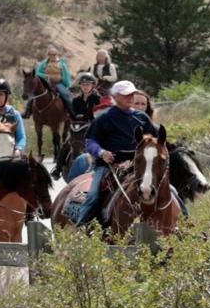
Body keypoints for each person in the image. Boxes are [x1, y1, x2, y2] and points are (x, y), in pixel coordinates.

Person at [69, 80, 162, 223]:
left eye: (132, 94)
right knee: (93, 194)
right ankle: (82, 226)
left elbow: (157, 140)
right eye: (126, 95)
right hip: (109, 166)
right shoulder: (105, 118)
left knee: (170, 190)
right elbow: (90, 141)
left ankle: (185, 225)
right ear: (115, 96)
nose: (130, 98)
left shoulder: (142, 118)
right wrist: (102, 152)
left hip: (139, 164)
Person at [34, 46, 72, 112]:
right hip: (46, 83)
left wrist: (68, 85)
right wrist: (45, 76)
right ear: (48, 55)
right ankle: (28, 111)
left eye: (54, 54)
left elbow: (66, 75)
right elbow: (37, 73)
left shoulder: (61, 64)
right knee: (34, 93)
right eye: (50, 54)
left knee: (65, 94)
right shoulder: (43, 64)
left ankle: (70, 112)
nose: (52, 56)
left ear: (57, 54)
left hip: (58, 83)